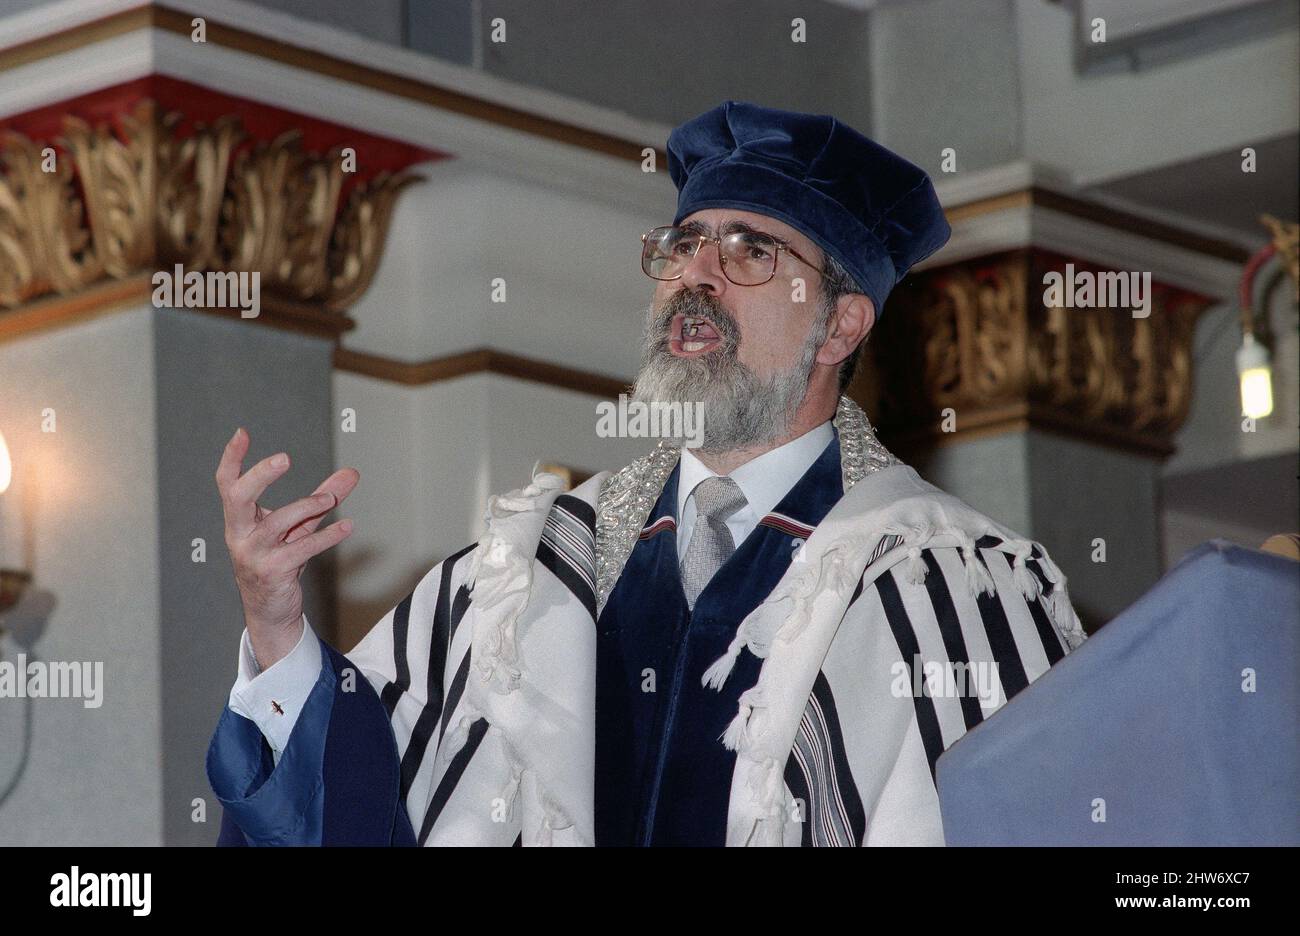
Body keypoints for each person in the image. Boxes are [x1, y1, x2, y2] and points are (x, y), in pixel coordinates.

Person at [208, 100, 1087, 847]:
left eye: (750, 251)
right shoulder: (523, 575)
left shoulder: (945, 587)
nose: (695, 275)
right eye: (683, 243)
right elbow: (353, 804)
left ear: (840, 326)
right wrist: (278, 630)